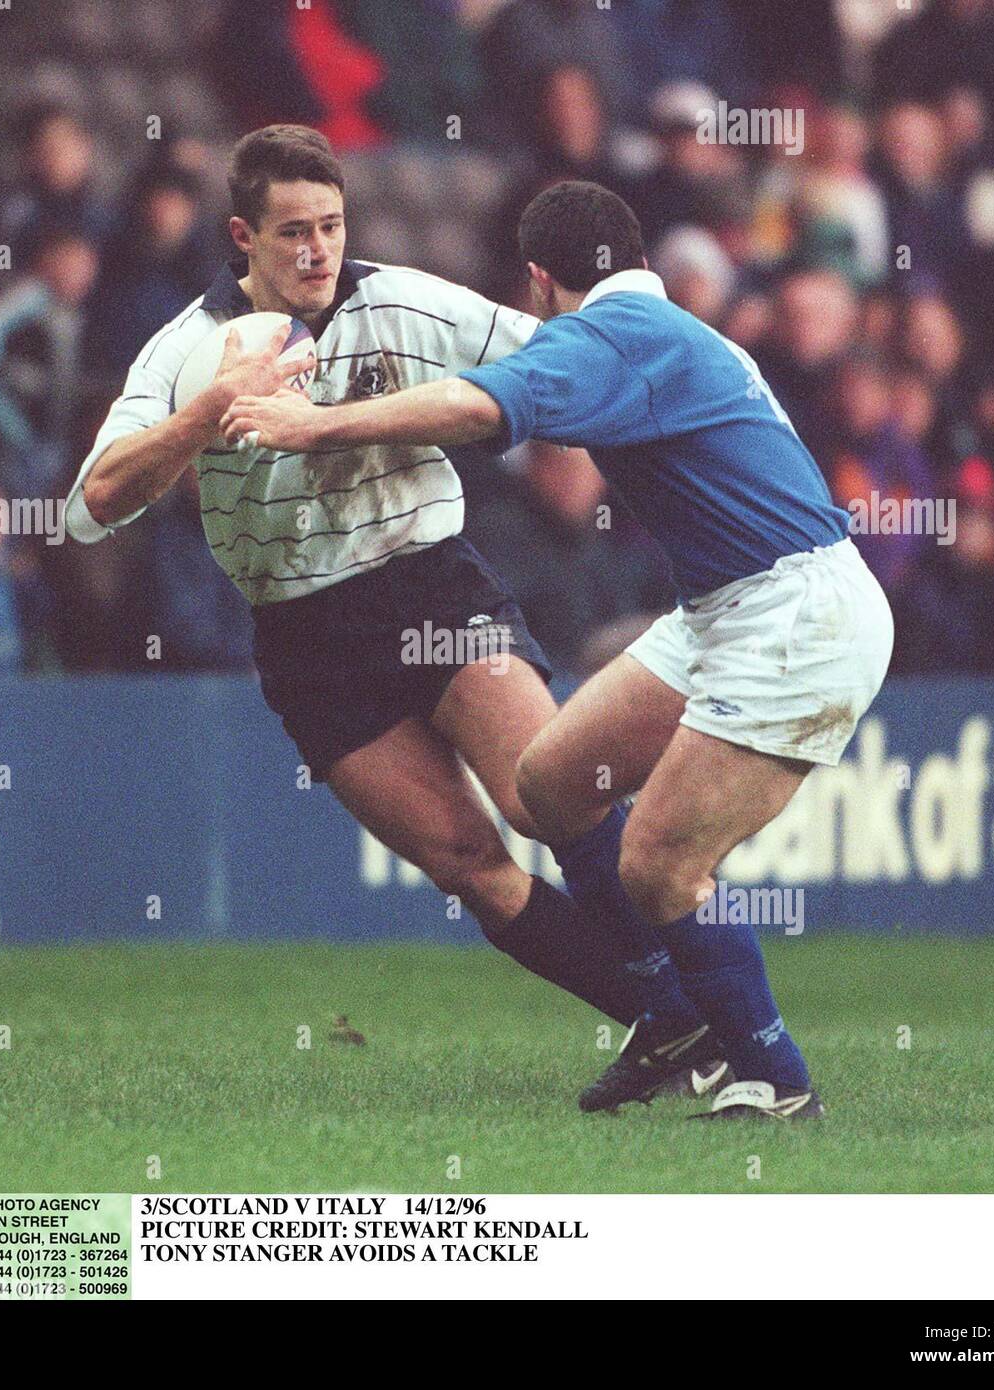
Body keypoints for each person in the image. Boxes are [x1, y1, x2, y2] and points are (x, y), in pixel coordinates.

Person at [224, 180, 895, 1120]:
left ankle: (776, 1082)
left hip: (794, 613)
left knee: (658, 866)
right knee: (551, 781)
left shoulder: (612, 338)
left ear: (540, 280)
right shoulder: (669, 330)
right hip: (729, 604)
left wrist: (319, 424)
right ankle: (669, 1016)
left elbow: (471, 407)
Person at [65, 130, 728, 1080]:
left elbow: (558, 358)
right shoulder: (186, 350)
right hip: (303, 634)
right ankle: (671, 1020)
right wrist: (208, 411)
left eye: (331, 226)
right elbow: (90, 508)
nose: (317, 250)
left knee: (545, 799)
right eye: (293, 231)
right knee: (472, 865)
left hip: (428, 585)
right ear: (241, 236)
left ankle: (721, 1012)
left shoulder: (403, 300)